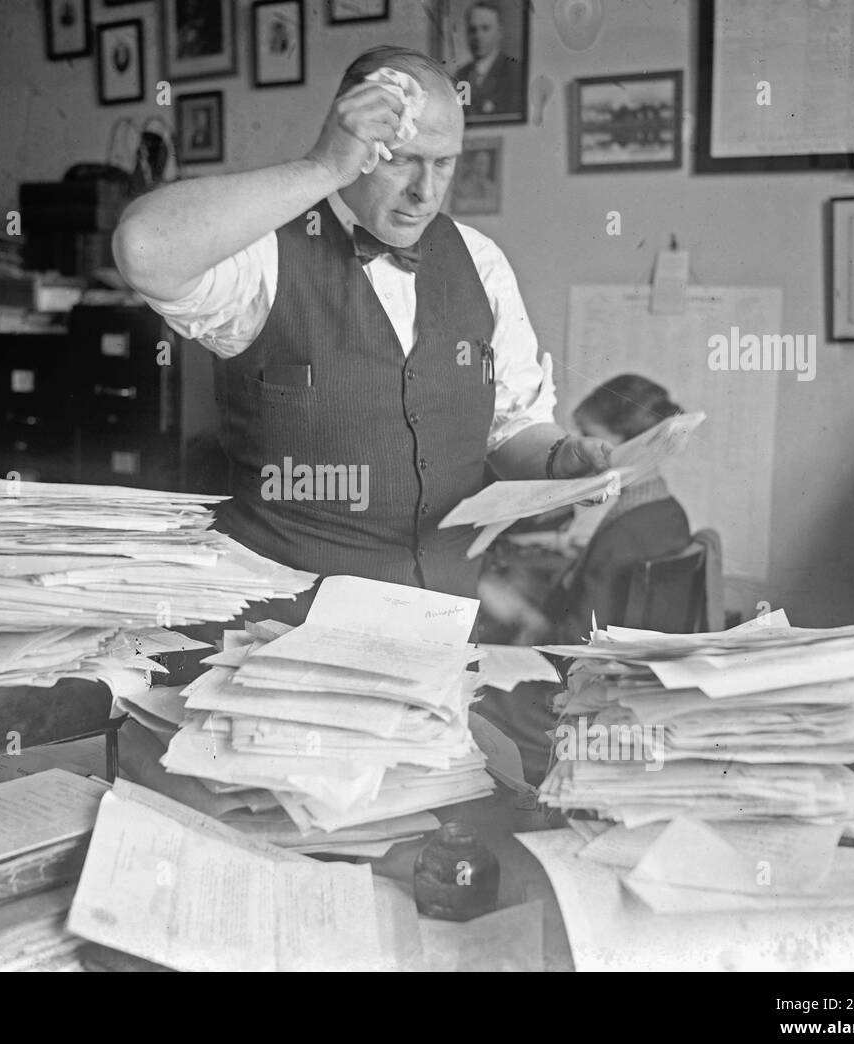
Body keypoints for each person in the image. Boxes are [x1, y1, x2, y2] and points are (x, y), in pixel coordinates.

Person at [113, 45, 610, 623]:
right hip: (281, 635)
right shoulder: (268, 253)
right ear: (357, 147)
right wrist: (323, 166)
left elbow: (513, 427)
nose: (426, 191)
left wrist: (560, 461)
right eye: (402, 159)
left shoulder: (481, 262)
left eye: (444, 163)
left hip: (440, 626)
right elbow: (142, 246)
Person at [482, 374, 692, 645]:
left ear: (632, 445)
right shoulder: (667, 512)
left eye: (588, 436)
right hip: (635, 654)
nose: (580, 447)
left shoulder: (622, 537)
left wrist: (520, 614)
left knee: (485, 591)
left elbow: (578, 642)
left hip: (578, 667)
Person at [454, 2, 524, 120]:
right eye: (472, 30)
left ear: (499, 32)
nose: (478, 36)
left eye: (485, 28)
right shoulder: (459, 77)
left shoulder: (516, 73)